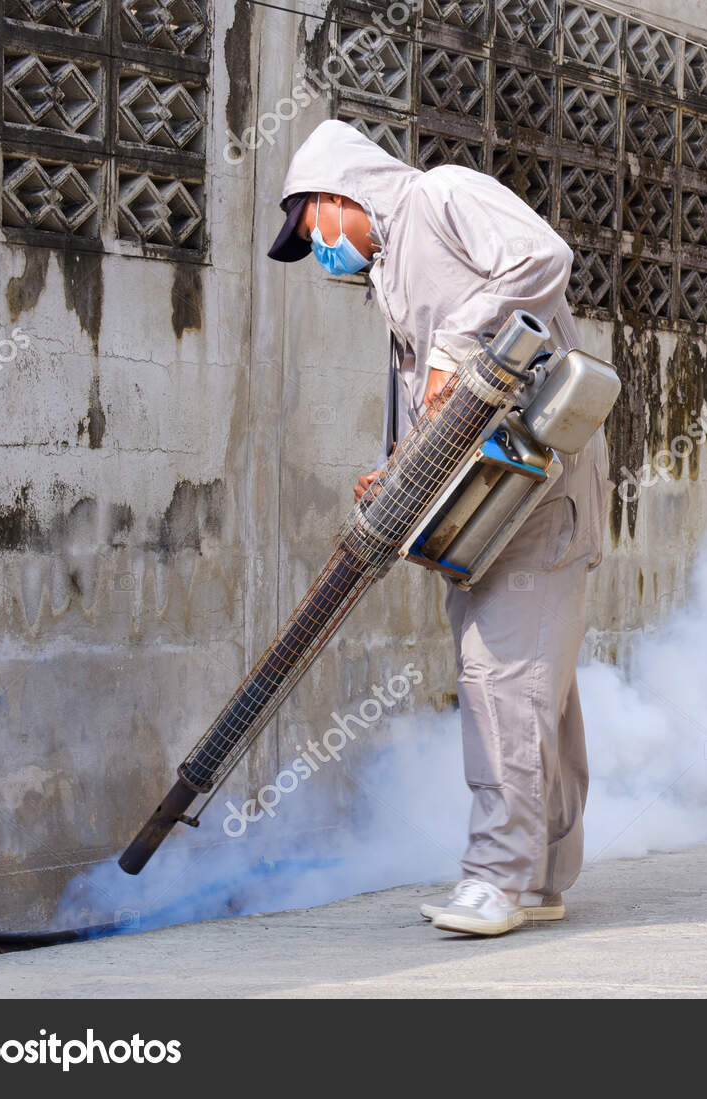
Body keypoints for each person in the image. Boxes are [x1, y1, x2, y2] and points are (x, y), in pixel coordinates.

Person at [267, 120, 609, 936]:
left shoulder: (440, 194)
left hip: (539, 489)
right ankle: (541, 876)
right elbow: (433, 396)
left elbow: (544, 259)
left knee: (501, 677)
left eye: (311, 227)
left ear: (338, 194)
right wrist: (398, 462)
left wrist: (458, 342)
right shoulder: (389, 276)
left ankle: (497, 879)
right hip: (488, 500)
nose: (318, 250)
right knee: (534, 689)